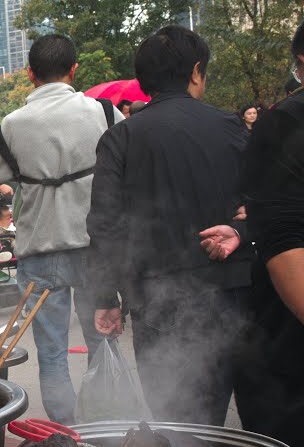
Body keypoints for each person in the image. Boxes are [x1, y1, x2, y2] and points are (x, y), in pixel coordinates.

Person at [88, 25, 252, 426]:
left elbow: (104, 223)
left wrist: (105, 296)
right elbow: (260, 205)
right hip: (233, 291)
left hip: (156, 298)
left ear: (143, 82)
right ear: (197, 72)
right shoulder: (233, 128)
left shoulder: (120, 138)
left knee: (176, 419)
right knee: (225, 419)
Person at [0, 33, 117, 424]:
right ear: (74, 70)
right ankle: (104, 429)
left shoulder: (13, 124)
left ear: (30, 74)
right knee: (101, 344)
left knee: (53, 354)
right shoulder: (104, 113)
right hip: (95, 248)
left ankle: (67, 435)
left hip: (40, 249)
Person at [219, 19, 304, 447]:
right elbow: (288, 238)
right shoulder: (286, 125)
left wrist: (250, 230)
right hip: (289, 362)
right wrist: (254, 232)